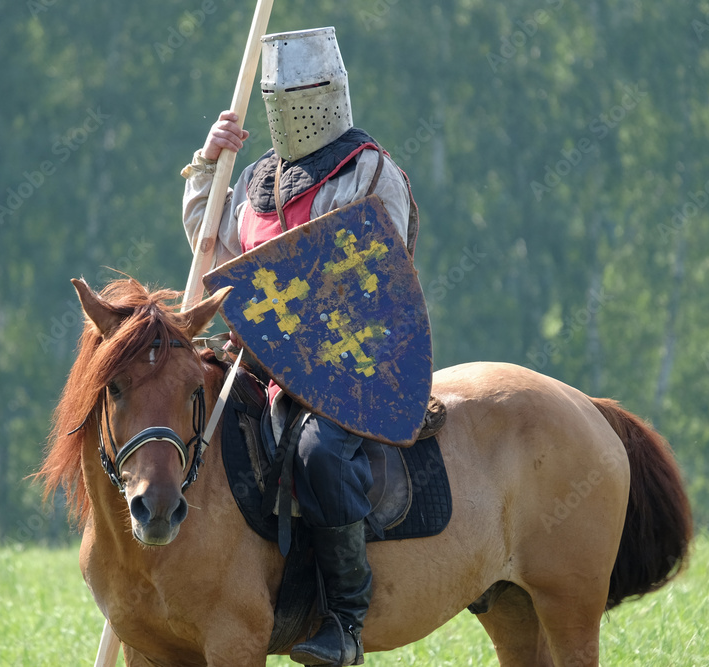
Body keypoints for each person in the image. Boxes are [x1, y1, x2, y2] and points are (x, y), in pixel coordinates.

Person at [181, 27, 418, 667]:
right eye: (280, 95)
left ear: (331, 91)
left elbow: (373, 268)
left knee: (319, 453)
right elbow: (217, 255)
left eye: (305, 92)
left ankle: (344, 620)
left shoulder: (369, 168)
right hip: (262, 363)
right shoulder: (258, 179)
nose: (293, 106)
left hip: (354, 361)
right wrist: (209, 165)